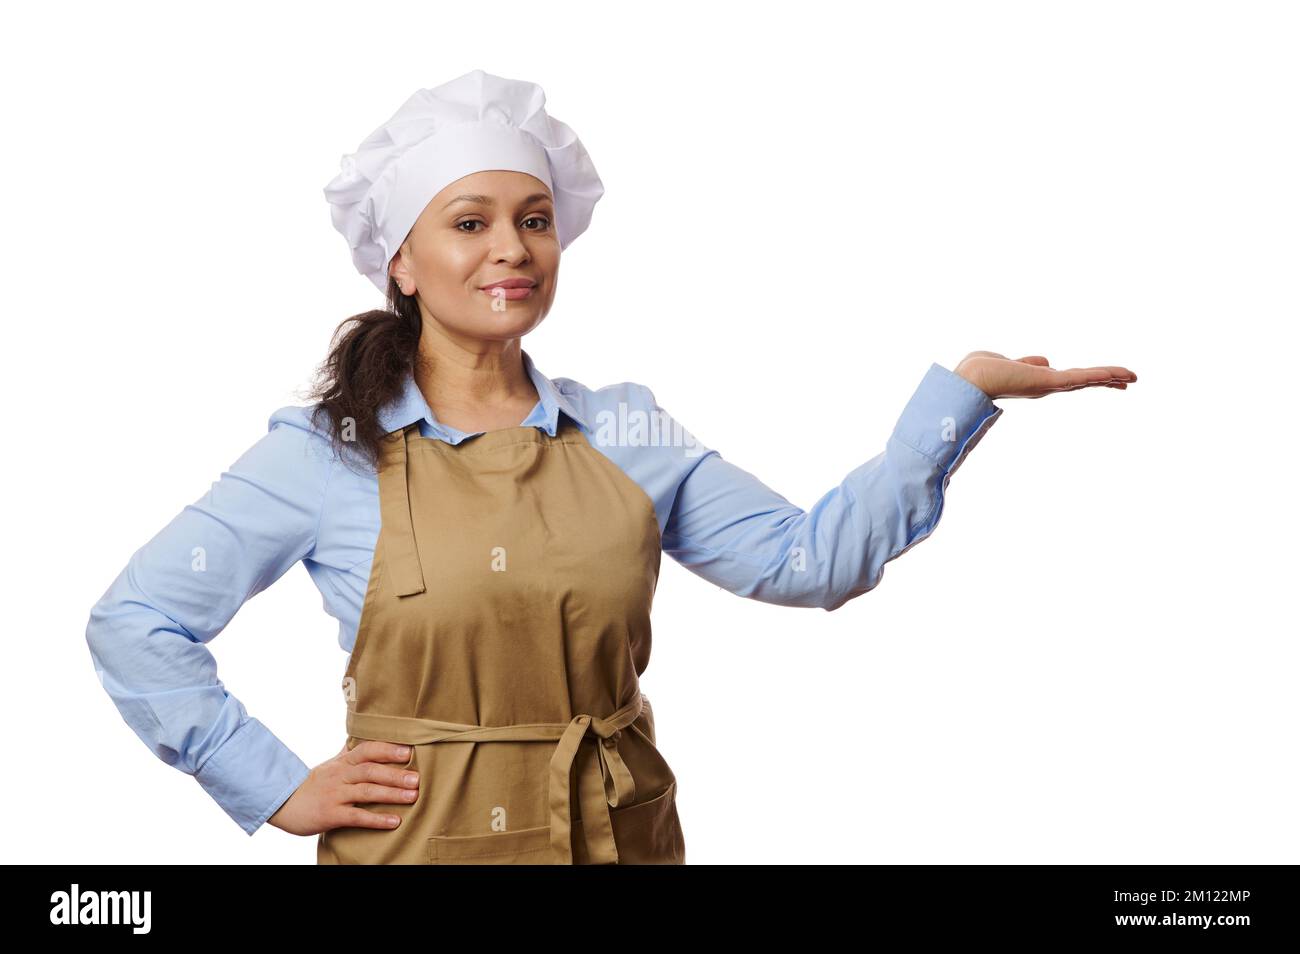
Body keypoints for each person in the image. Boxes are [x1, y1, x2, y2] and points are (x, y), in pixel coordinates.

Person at [84, 69, 1137, 864]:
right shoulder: (323, 453)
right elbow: (135, 624)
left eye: (533, 221)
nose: (513, 249)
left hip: (618, 839)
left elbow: (807, 560)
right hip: (415, 848)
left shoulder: (627, 432)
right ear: (401, 261)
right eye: (471, 222)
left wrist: (960, 397)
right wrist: (272, 785)